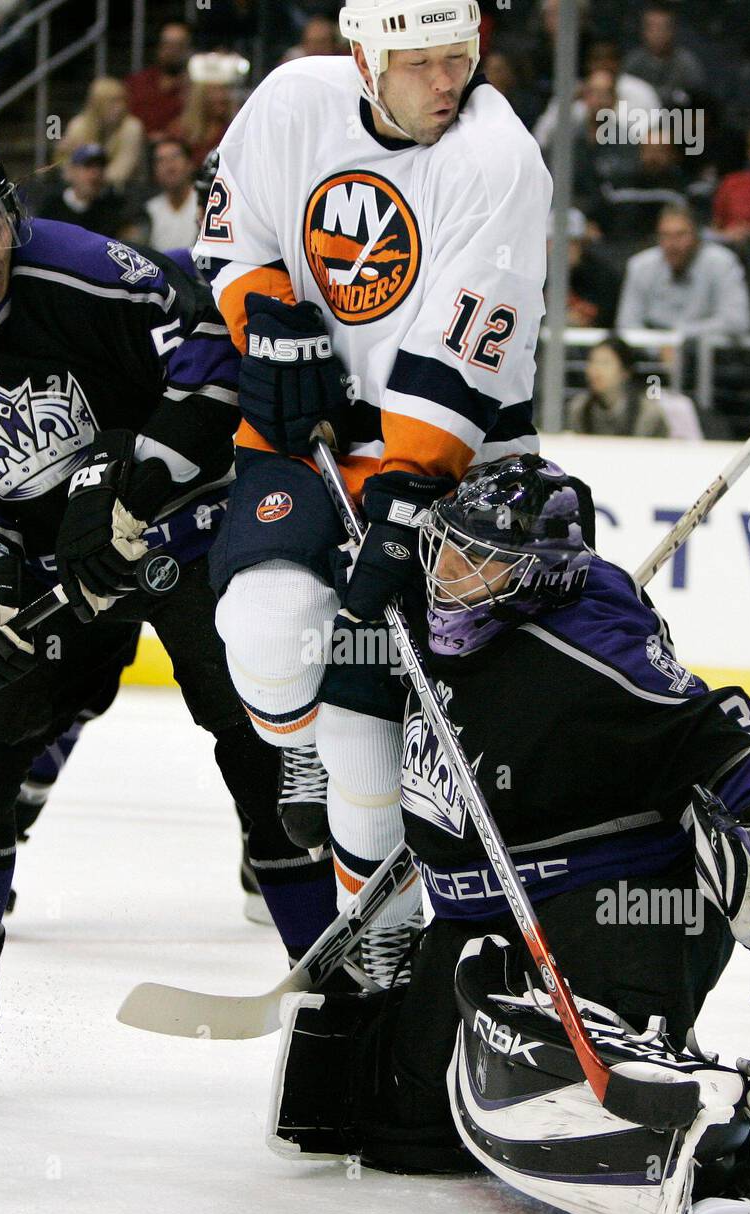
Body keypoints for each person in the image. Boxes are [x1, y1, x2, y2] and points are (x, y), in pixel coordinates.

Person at [269, 454, 750, 1214]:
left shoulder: (591, 643)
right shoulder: (413, 605)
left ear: (540, 580)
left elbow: (725, 731)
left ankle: (724, 1151)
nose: (451, 579)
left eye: (481, 565)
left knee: (597, 1059)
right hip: (486, 912)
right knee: (397, 1126)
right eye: (447, 551)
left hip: (619, 902)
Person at [0, 125, 336, 1098]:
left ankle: (337, 987)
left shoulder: (90, 274)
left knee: (266, 739)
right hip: (58, 571)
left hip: (199, 535)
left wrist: (134, 485)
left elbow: (216, 352)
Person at [193, 0, 550, 984]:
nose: (449, 81)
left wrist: (404, 496)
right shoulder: (292, 102)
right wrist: (271, 316)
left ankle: (377, 939)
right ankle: (294, 739)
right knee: (269, 639)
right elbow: (231, 233)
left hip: (453, 454)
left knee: (367, 730)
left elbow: (461, 357)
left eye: (460, 58)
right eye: (422, 61)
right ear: (363, 57)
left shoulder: (500, 161)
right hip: (306, 437)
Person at [616, 204, 750, 339]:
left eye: (680, 235)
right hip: (651, 354)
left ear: (697, 237)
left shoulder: (722, 262)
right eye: (665, 235)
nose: (672, 244)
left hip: (708, 354)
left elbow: (737, 321)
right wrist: (659, 347)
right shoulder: (640, 266)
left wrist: (680, 336)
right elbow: (627, 324)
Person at [566, 335, 668, 437]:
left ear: (625, 371)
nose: (595, 370)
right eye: (592, 362)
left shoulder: (648, 414)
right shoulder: (579, 409)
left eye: (605, 363)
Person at [30, 144, 136, 239]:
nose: (95, 172)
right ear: (72, 171)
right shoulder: (51, 205)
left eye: (100, 166)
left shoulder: (112, 209)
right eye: (88, 166)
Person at [60, 77, 146, 193]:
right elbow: (67, 168)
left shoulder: (132, 127)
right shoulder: (77, 126)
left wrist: (89, 178)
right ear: (97, 104)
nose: (121, 107)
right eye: (113, 102)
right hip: (83, 190)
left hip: (125, 191)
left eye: (122, 101)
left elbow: (122, 171)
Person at [622, 1, 705, 106]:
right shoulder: (633, 62)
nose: (657, 34)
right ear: (643, 31)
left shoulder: (687, 64)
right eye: (651, 27)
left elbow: (697, 100)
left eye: (663, 27)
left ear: (673, 30)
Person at [124, 20, 193, 145]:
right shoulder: (138, 82)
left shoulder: (197, 89)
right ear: (159, 47)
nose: (173, 51)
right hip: (139, 147)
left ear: (189, 49)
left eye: (179, 46)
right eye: (168, 45)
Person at [140, 137, 200, 253]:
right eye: (161, 160)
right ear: (154, 171)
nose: (169, 165)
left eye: (175, 157)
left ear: (190, 164)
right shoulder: (148, 211)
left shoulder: (208, 203)